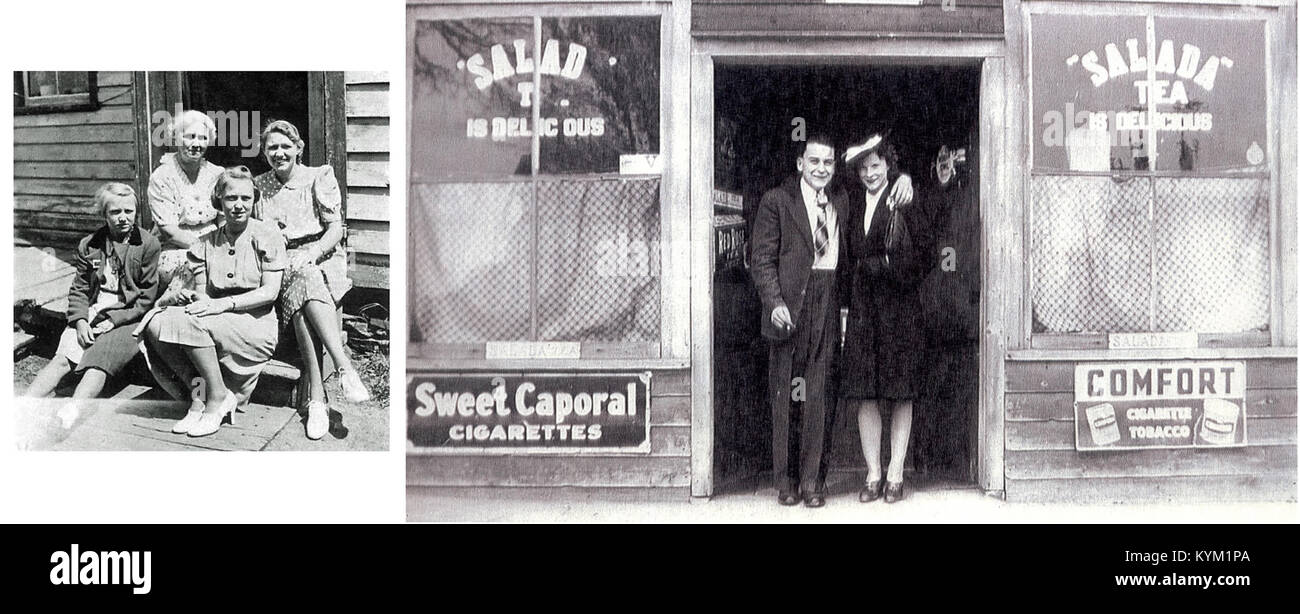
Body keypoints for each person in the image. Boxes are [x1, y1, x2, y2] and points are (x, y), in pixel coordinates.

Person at [750, 133, 911, 508]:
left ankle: (813, 482)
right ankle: (786, 481)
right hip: (789, 306)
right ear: (800, 164)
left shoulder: (842, 199)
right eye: (814, 161)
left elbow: (885, 193)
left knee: (819, 396)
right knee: (788, 395)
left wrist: (906, 179)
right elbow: (761, 259)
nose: (821, 168)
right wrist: (774, 302)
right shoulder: (777, 200)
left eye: (828, 162)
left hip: (828, 302)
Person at [138, 166, 286, 438]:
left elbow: (269, 293)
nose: (238, 206)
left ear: (254, 200)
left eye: (245, 198)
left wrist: (222, 304)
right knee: (156, 322)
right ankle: (199, 395)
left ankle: (216, 399)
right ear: (219, 201)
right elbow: (204, 294)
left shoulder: (267, 235)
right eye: (231, 199)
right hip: (215, 321)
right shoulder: (204, 243)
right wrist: (193, 297)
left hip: (255, 326)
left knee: (192, 323)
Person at [252, 119, 370, 441]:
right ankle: (343, 367)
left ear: (299, 148)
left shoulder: (318, 176)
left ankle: (316, 397)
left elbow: (336, 229)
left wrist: (313, 252)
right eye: (272, 148)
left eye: (285, 146)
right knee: (301, 276)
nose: (279, 153)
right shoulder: (259, 185)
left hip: (322, 255)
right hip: (281, 261)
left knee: (305, 278)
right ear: (264, 152)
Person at [839, 134, 931, 504]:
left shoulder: (903, 197)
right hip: (863, 311)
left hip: (900, 309)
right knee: (865, 393)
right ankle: (873, 473)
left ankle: (895, 474)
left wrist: (888, 268)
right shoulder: (850, 202)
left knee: (900, 391)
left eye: (876, 165)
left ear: (888, 166)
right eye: (863, 167)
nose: (870, 173)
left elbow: (926, 253)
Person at [24, 183, 161, 429]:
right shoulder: (90, 245)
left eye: (128, 212)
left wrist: (115, 320)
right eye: (115, 212)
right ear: (104, 215)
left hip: (127, 317)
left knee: (99, 362)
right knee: (63, 358)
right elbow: (79, 289)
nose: (123, 218)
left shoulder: (148, 244)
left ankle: (70, 413)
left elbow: (145, 298)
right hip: (94, 311)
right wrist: (80, 320)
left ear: (136, 212)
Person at [146, 109, 224, 288]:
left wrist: (223, 247)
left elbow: (223, 219)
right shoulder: (163, 176)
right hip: (175, 248)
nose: (197, 144)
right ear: (176, 138)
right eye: (190, 136)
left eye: (203, 138)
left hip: (215, 244)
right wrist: (206, 249)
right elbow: (169, 232)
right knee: (196, 268)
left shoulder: (216, 173)